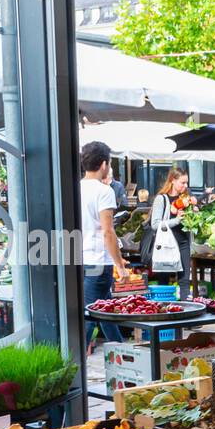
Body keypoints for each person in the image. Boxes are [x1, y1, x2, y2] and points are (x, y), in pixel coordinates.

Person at [79, 141, 127, 345]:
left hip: (79, 258)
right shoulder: (104, 191)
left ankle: (123, 355)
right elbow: (108, 231)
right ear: (104, 164)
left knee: (105, 310)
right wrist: (119, 264)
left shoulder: (75, 188)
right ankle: (72, 367)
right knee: (90, 316)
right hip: (98, 261)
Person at [147, 168, 194, 286]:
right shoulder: (162, 199)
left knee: (184, 281)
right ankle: (164, 304)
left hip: (183, 243)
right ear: (173, 180)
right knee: (164, 280)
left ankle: (186, 303)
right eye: (182, 183)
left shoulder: (185, 199)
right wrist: (177, 220)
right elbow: (155, 224)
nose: (186, 185)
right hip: (166, 245)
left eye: (186, 182)